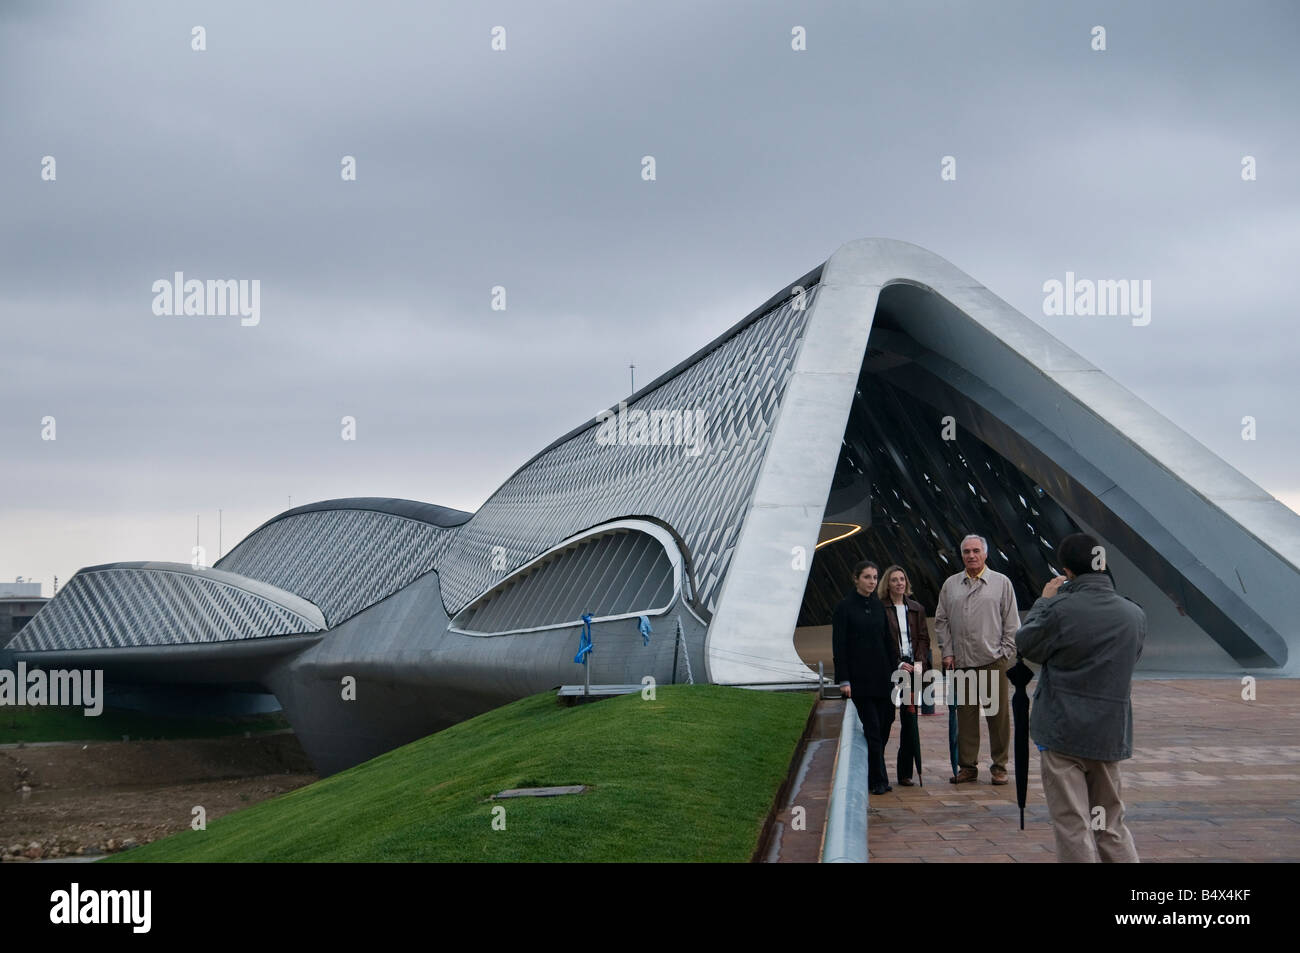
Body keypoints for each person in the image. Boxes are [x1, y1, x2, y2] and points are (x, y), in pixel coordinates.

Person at [1015, 533, 1145, 863]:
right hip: (1108, 733)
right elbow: (1132, 657)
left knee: (1073, 824)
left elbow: (1026, 644)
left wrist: (1044, 600)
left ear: (1068, 571)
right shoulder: (1133, 614)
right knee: (1111, 823)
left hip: (1062, 732)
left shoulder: (1059, 609)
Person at [935, 534, 1020, 784]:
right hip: (962, 662)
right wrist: (947, 651)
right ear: (961, 555)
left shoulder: (1001, 583)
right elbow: (941, 621)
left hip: (993, 660)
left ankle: (1000, 766)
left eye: (975, 551)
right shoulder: (951, 585)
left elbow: (1012, 622)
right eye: (966, 552)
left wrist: (1005, 651)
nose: (971, 556)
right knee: (966, 716)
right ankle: (968, 767)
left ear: (985, 553)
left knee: (998, 717)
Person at [832, 560, 897, 795]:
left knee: (885, 724)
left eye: (875, 577)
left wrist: (895, 673)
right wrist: (844, 680)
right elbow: (839, 647)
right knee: (872, 729)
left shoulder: (879, 606)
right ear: (856, 578)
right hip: (860, 681)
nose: (872, 581)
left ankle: (874, 771)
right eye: (867, 577)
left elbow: (888, 642)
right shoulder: (844, 608)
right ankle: (878, 780)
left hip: (883, 678)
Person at [877, 565, 930, 786]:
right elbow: (881, 641)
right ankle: (877, 771)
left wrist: (918, 663)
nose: (899, 583)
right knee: (886, 719)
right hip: (891, 668)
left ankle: (905, 773)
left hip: (913, 668)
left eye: (902, 579)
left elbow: (924, 639)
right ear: (887, 584)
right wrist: (897, 663)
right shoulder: (880, 609)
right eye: (894, 580)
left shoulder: (917, 608)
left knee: (910, 721)